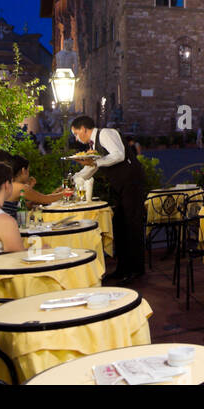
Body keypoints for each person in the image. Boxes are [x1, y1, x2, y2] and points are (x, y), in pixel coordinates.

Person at [70, 114, 147, 284]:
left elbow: (118, 155)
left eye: (76, 133)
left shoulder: (106, 134)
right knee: (120, 225)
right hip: (120, 186)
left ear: (84, 129)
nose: (76, 138)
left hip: (132, 182)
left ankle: (135, 270)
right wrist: (75, 179)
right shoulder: (93, 145)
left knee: (132, 225)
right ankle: (122, 269)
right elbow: (94, 166)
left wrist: (95, 162)